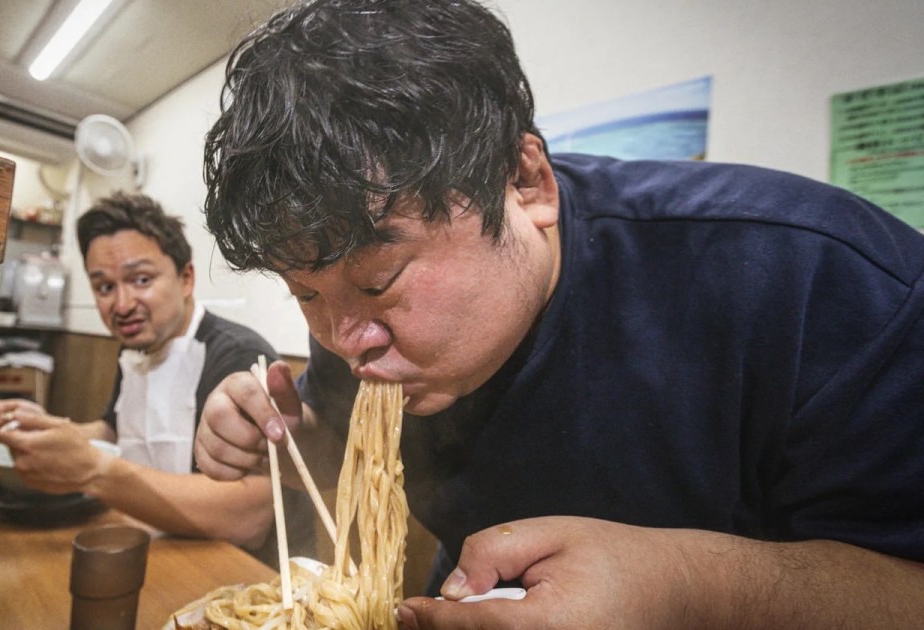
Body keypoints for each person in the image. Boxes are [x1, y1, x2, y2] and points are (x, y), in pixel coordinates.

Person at [191, 0, 924, 627]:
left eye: (382, 281)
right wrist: (289, 444)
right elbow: (341, 462)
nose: (348, 341)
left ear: (524, 181)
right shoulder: (355, 322)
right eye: (304, 294)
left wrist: (689, 586)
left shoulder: (816, 277)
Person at [0, 192, 314, 566]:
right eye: (105, 287)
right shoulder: (136, 349)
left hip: (231, 567)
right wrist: (45, 429)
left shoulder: (239, 356)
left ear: (186, 278)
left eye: (141, 279)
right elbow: (113, 430)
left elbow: (250, 516)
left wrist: (92, 470)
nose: (122, 305)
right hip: (153, 544)